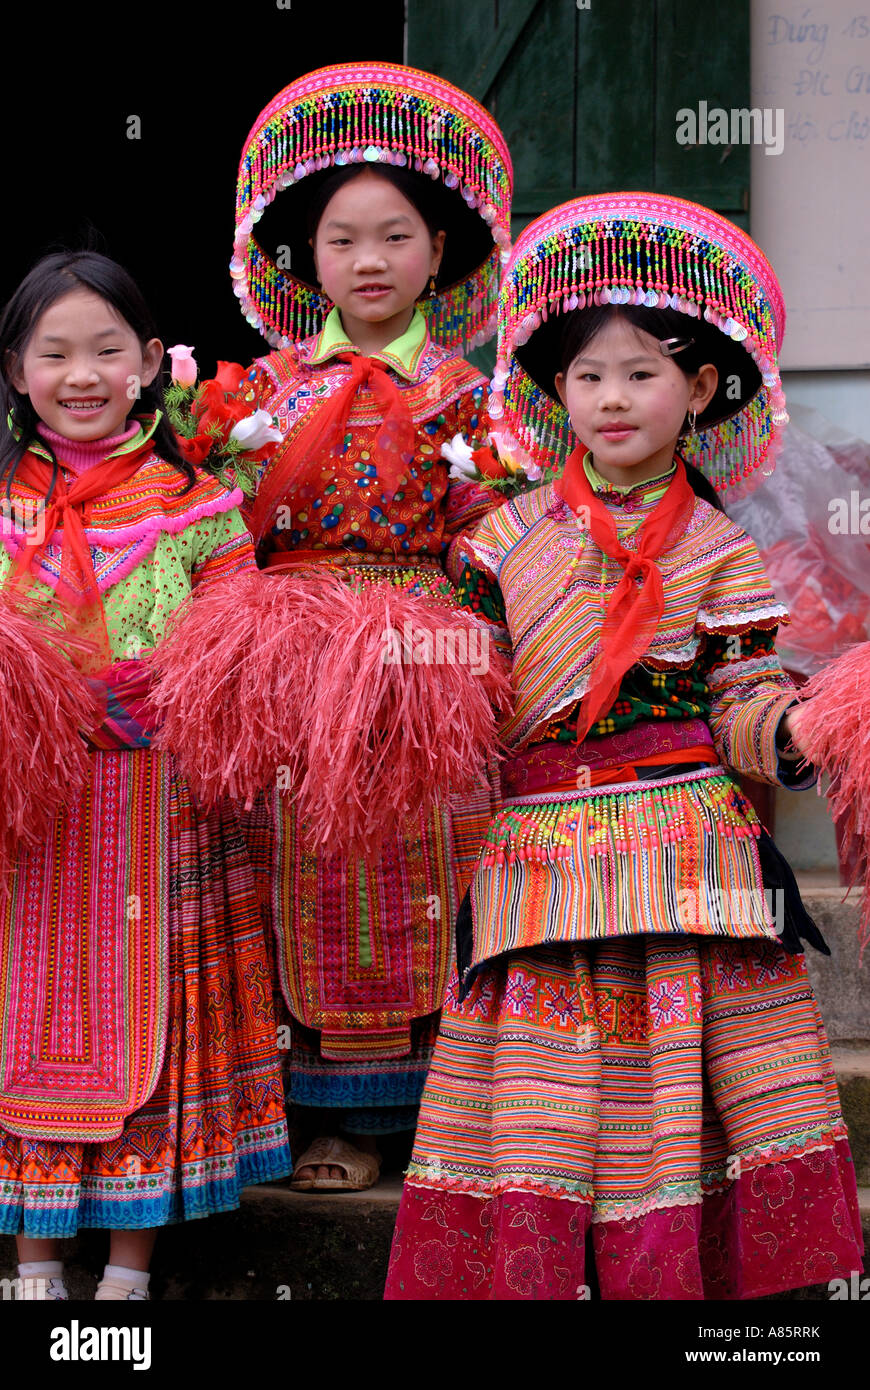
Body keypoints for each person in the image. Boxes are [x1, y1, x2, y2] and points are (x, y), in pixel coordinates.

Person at [384, 193, 864, 1299]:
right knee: (545, 1118)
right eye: (589, 375)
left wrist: (800, 724)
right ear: (555, 391)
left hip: (686, 857)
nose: (612, 397)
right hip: (539, 869)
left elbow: (739, 702)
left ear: (698, 391)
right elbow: (465, 694)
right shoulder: (498, 543)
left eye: (643, 373)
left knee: (676, 1112)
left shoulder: (720, 552)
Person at [226, 62, 513, 1189]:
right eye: (344, 240)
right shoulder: (259, 393)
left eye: (395, 237)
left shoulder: (472, 397)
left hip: (424, 661)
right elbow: (222, 530)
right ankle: (328, 1122)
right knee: (299, 868)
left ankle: (438, 1113)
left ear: (438, 252)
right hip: (292, 656)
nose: (371, 261)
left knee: (435, 860)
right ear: (311, 259)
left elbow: (492, 531)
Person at [0, 251, 292, 1299]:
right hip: (30, 824)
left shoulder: (194, 502)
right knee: (26, 1021)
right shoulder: (2, 502)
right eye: (55, 352)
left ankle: (127, 1276)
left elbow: (239, 635)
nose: (82, 373)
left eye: (107, 349)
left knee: (157, 1029)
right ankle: (34, 1271)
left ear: (150, 365)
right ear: (17, 371)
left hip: (163, 810)